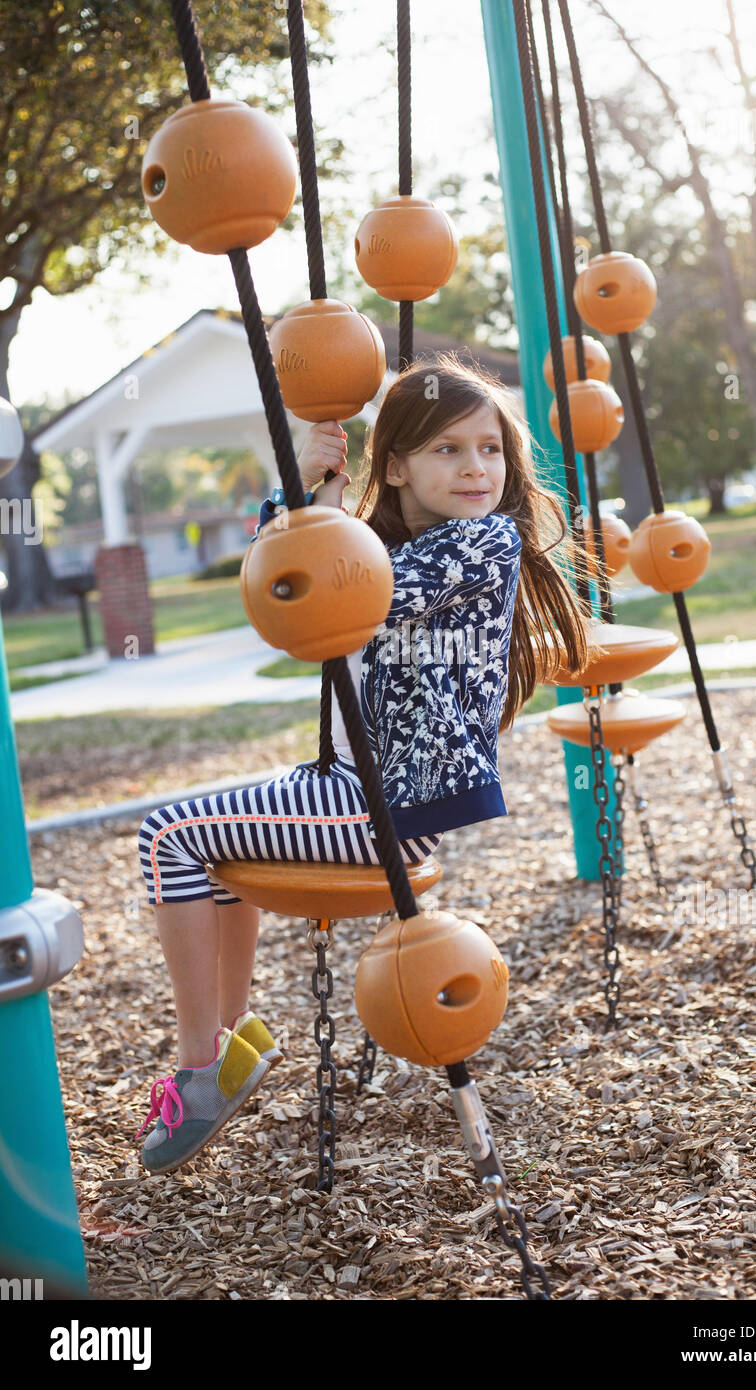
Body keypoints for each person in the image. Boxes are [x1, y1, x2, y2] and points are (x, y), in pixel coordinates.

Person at [133, 351, 590, 1175]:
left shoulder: (484, 542)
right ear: (399, 463)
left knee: (169, 837)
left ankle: (198, 1070)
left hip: (392, 810)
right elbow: (289, 586)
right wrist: (302, 491)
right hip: (345, 790)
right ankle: (227, 1048)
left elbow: (347, 585)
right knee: (212, 853)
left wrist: (315, 504)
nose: (476, 466)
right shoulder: (385, 538)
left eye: (488, 447)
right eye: (448, 449)